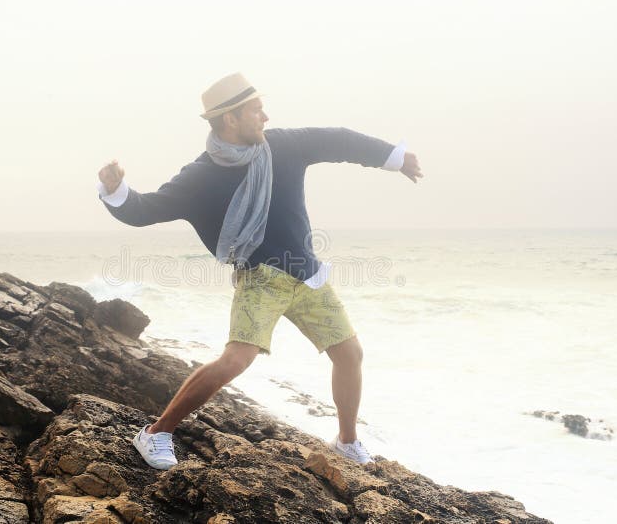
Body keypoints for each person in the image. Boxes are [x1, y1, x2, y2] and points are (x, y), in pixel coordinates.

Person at [96, 73, 423, 470]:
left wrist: (394, 157)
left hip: (306, 273)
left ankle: (347, 441)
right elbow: (146, 210)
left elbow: (339, 139)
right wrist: (116, 191)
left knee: (350, 354)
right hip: (260, 279)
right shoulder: (201, 176)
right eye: (256, 110)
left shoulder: (283, 146)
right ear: (229, 119)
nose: (265, 117)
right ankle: (156, 433)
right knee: (235, 360)